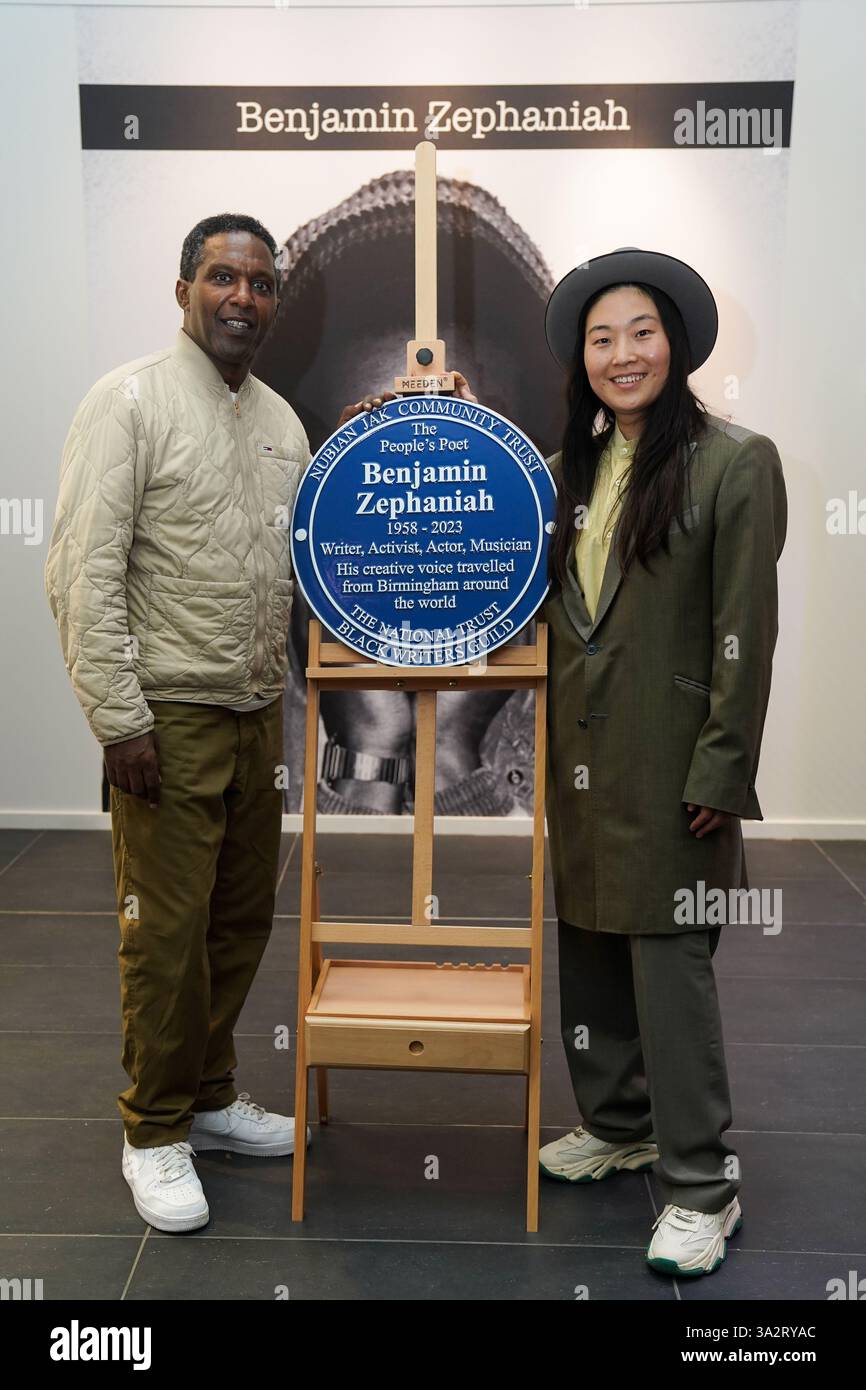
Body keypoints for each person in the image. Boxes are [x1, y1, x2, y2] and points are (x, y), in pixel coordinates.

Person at [43, 213, 390, 1234]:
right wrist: (119, 720)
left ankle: (206, 1095)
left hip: (252, 718)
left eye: (259, 283)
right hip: (165, 719)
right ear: (185, 287)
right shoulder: (129, 400)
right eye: (222, 277)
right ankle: (151, 1132)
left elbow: (305, 557)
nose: (243, 297)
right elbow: (79, 573)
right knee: (164, 936)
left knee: (238, 923)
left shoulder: (282, 421)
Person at [537, 247, 787, 1276]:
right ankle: (617, 1120)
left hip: (676, 765)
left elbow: (745, 631)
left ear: (674, 342)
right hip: (583, 762)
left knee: (668, 970)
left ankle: (697, 1182)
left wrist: (721, 769)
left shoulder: (735, 461)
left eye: (640, 332)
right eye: (601, 337)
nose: (621, 353)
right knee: (590, 943)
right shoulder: (570, 471)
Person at [252, 171, 566, 817]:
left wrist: (454, 741)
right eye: (378, 437)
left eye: (469, 436)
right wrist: (366, 742)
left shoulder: (575, 656)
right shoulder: (257, 661)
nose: (422, 493)